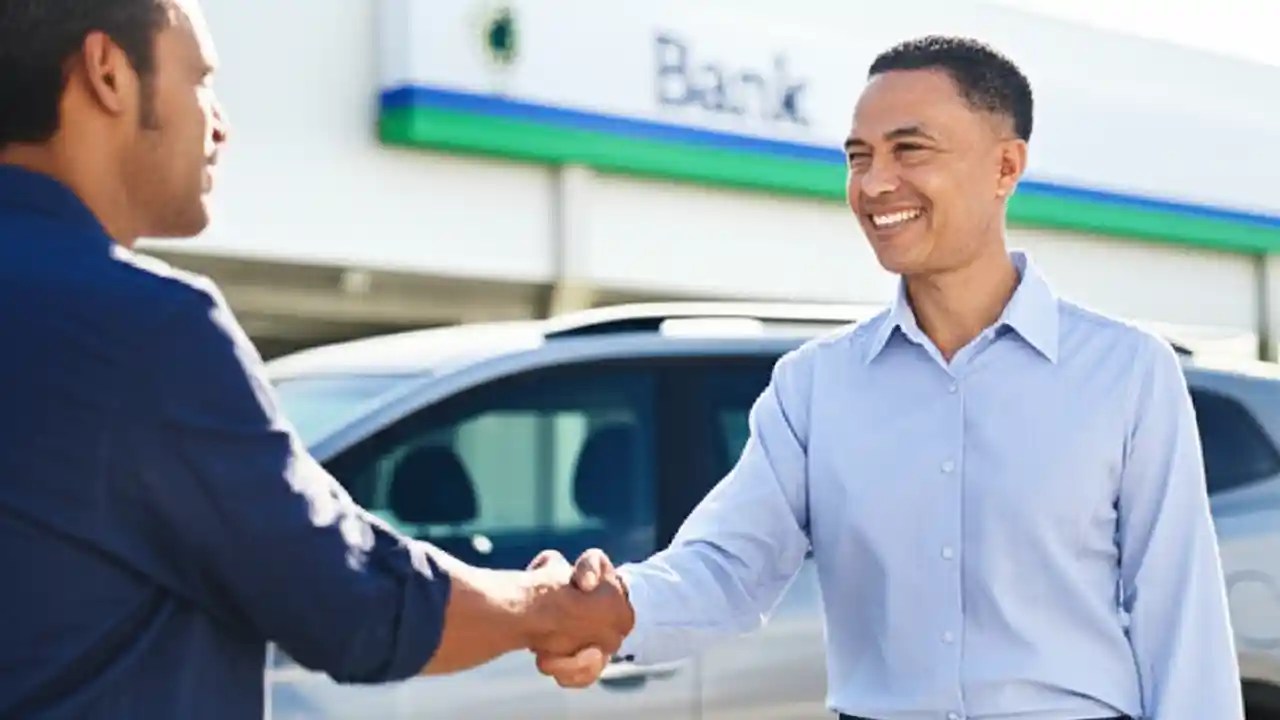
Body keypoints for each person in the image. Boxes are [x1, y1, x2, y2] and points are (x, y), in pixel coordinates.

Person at [534, 35, 1244, 719]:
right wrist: (614, 609)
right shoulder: (815, 387)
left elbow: (1180, 618)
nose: (875, 183)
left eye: (910, 149)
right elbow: (728, 565)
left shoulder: (1126, 372)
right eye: (858, 156)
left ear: (1006, 167)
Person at [0, 1, 631, 718]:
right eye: (199, 79)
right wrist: (541, 606)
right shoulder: (144, 331)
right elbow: (347, 599)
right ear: (107, 73)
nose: (219, 123)